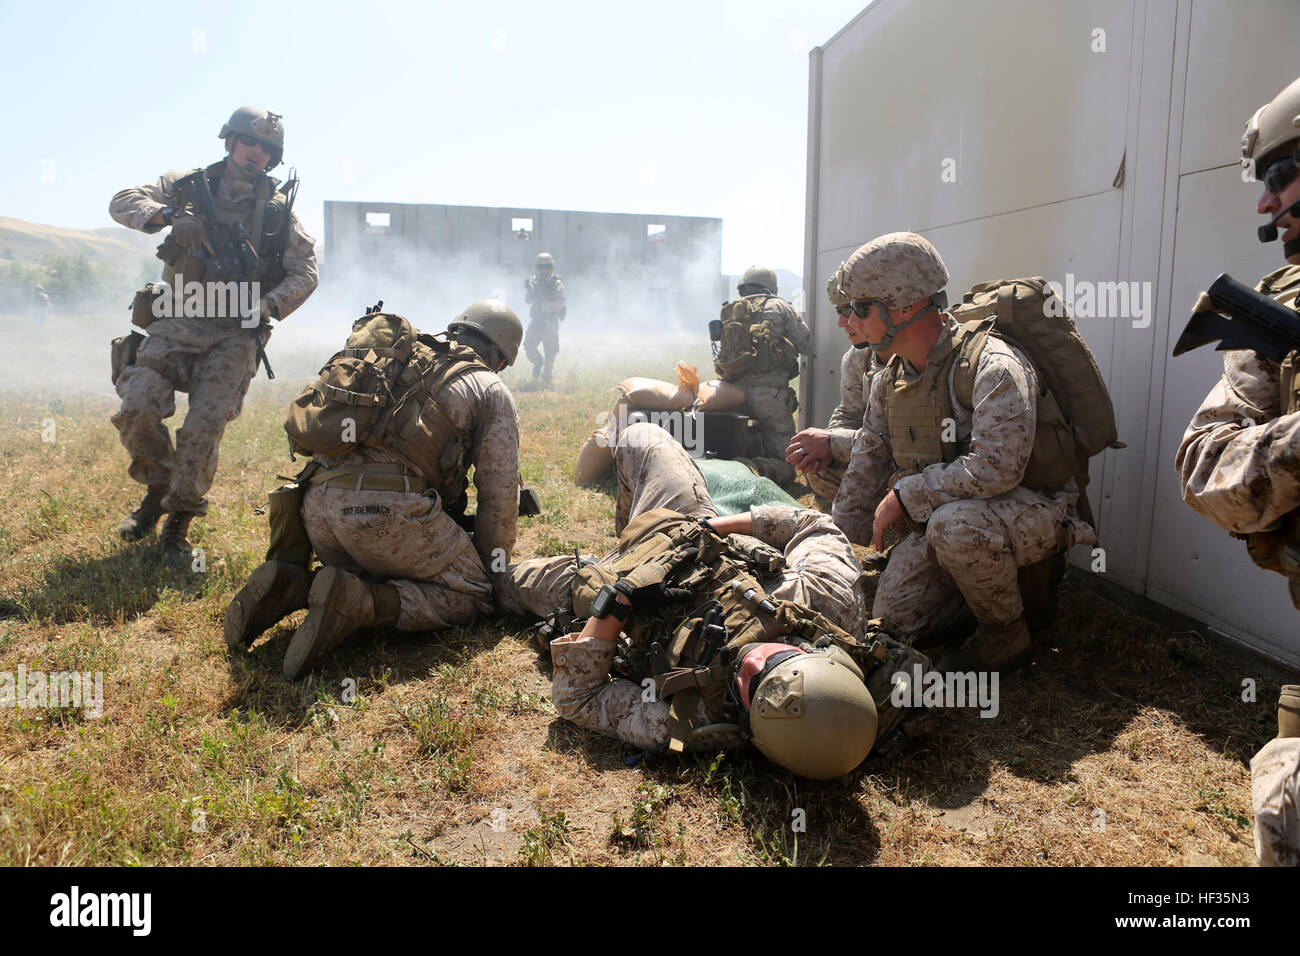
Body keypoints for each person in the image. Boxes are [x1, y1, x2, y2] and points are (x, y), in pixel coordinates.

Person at [499, 420, 930, 779]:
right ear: (817, 653)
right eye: (779, 661)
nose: (752, 664)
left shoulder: (698, 719)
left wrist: (617, 601)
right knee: (640, 434)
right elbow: (813, 525)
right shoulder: (826, 600)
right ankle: (630, 528)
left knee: (502, 583)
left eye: (752, 687)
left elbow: (578, 699)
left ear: (751, 725)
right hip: (687, 529)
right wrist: (710, 532)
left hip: (610, 586)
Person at [831, 232, 1096, 672]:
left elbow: (998, 467)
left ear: (904, 306)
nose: (847, 322)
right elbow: (866, 463)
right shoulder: (888, 378)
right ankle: (971, 591)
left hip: (1030, 507)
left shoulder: (992, 364)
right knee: (891, 618)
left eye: (860, 308)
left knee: (952, 527)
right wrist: (832, 553)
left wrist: (906, 494)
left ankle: (1006, 635)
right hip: (943, 517)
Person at [223, 300, 524, 681]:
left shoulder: (397, 359)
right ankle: (360, 604)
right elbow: (500, 498)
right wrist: (487, 568)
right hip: (384, 517)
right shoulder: (488, 386)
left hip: (314, 509)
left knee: (376, 567)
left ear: (455, 332)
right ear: (499, 359)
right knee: (472, 594)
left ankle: (297, 586)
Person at [1173, 76, 1300, 866]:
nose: (1266, 204)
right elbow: (1205, 467)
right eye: (1266, 181)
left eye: (1282, 176)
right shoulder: (1277, 311)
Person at [108, 106, 318, 567]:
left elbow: (305, 271)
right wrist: (166, 214)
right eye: (250, 142)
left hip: (233, 335)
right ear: (230, 141)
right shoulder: (184, 186)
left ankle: (178, 525)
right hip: (175, 321)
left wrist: (267, 305)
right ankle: (157, 487)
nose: (256, 153)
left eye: (267, 148)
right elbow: (122, 200)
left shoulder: (278, 211)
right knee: (137, 407)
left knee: (203, 429)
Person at [713, 266, 812, 485]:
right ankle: (753, 468)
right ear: (771, 287)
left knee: (732, 443)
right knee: (786, 463)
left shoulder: (730, 310)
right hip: (770, 396)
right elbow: (806, 343)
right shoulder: (780, 306)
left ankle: (729, 469)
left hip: (730, 395)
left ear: (743, 288)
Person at [786, 267, 876, 502]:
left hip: (903, 460)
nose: (842, 322)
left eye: (850, 310)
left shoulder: (907, 355)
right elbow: (848, 412)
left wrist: (832, 443)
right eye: (840, 311)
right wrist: (828, 446)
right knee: (820, 470)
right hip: (870, 449)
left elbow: (893, 440)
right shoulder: (856, 358)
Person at [523, 252, 566, 386]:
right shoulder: (534, 282)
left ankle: (547, 378)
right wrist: (530, 291)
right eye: (541, 267)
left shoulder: (556, 283)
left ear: (550, 267)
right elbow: (527, 301)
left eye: (546, 267)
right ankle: (538, 362)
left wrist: (546, 306)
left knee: (550, 351)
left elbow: (560, 302)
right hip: (536, 321)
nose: (543, 270)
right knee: (528, 346)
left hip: (550, 321)